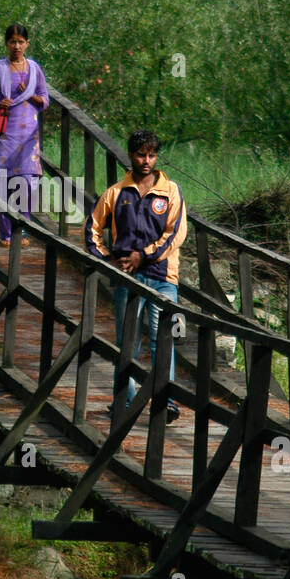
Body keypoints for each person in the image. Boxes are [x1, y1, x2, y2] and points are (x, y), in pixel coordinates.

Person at [85, 129, 187, 422]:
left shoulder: (171, 191)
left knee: (162, 339)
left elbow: (175, 233)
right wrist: (108, 261)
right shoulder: (116, 192)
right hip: (127, 279)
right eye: (141, 154)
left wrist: (144, 255)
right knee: (128, 340)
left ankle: (165, 401)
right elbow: (91, 230)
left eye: (152, 155)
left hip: (162, 277)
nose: (146, 160)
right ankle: (125, 400)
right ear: (131, 155)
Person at [0, 23, 49, 246]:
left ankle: (23, 229)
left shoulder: (34, 69)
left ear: (27, 43)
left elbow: (44, 99)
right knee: (2, 183)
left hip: (28, 134)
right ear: (6, 43)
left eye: (21, 42)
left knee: (28, 184)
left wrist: (29, 96)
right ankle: (6, 233)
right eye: (13, 42)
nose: (17, 46)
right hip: (4, 133)